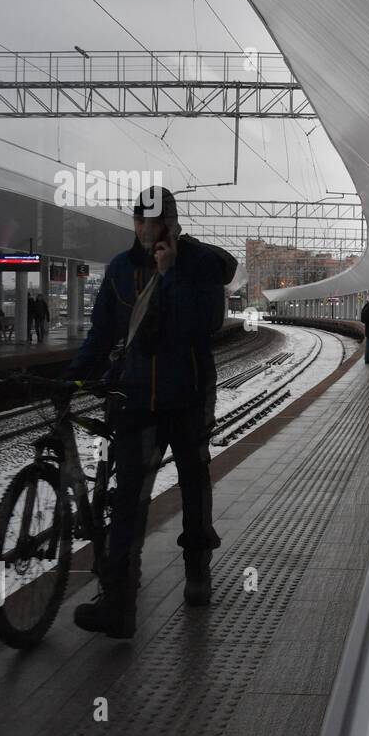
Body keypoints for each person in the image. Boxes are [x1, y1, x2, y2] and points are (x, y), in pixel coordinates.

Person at [65, 186, 231, 638]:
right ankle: (120, 604)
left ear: (172, 225)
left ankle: (197, 570)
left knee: (194, 483)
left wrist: (171, 272)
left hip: (189, 395)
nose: (145, 229)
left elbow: (207, 323)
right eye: (139, 221)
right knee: (128, 500)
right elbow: (102, 333)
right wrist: (75, 378)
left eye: (154, 222)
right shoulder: (120, 270)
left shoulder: (199, 265)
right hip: (136, 399)